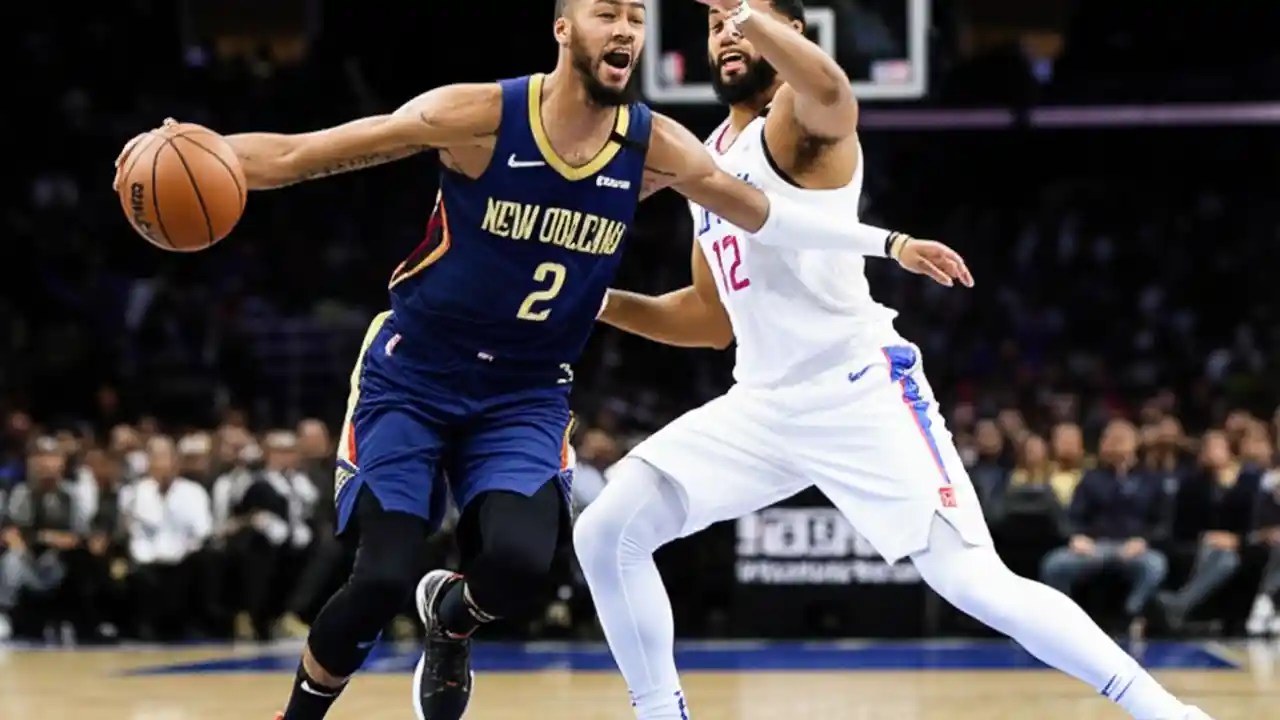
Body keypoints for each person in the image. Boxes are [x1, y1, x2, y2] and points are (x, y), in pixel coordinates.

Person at [111, 2, 967, 719]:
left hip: (522, 392)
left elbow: (765, 214)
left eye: (636, 14)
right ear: (564, 29)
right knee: (375, 581)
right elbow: (303, 153)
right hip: (416, 374)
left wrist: (887, 242)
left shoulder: (655, 145)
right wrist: (204, 147)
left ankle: (452, 620)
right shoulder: (479, 115)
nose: (626, 27)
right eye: (606, 13)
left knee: (522, 566)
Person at [572, 2, 1212, 719]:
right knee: (607, 528)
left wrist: (752, 17)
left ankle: (1168, 713)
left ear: (788, 33)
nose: (726, 34)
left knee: (972, 580)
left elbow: (834, 94)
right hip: (762, 403)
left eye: (743, 20)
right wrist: (600, 301)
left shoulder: (800, 117)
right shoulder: (709, 156)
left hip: (857, 389)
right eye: (717, 24)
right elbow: (708, 318)